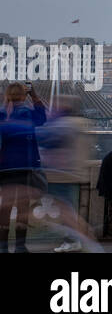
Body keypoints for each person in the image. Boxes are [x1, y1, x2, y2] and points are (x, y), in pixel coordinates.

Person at [39, 95, 94, 252]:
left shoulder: (64, 124)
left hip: (59, 172)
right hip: (72, 172)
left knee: (64, 209)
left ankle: (76, 239)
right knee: (67, 207)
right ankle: (75, 238)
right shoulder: (81, 124)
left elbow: (45, 139)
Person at [0, 82, 47, 253]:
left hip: (4, 167)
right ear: (23, 95)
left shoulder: (1, 113)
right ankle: (20, 245)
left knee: (5, 205)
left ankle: (3, 246)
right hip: (25, 166)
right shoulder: (27, 113)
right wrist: (34, 95)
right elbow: (42, 118)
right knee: (23, 205)